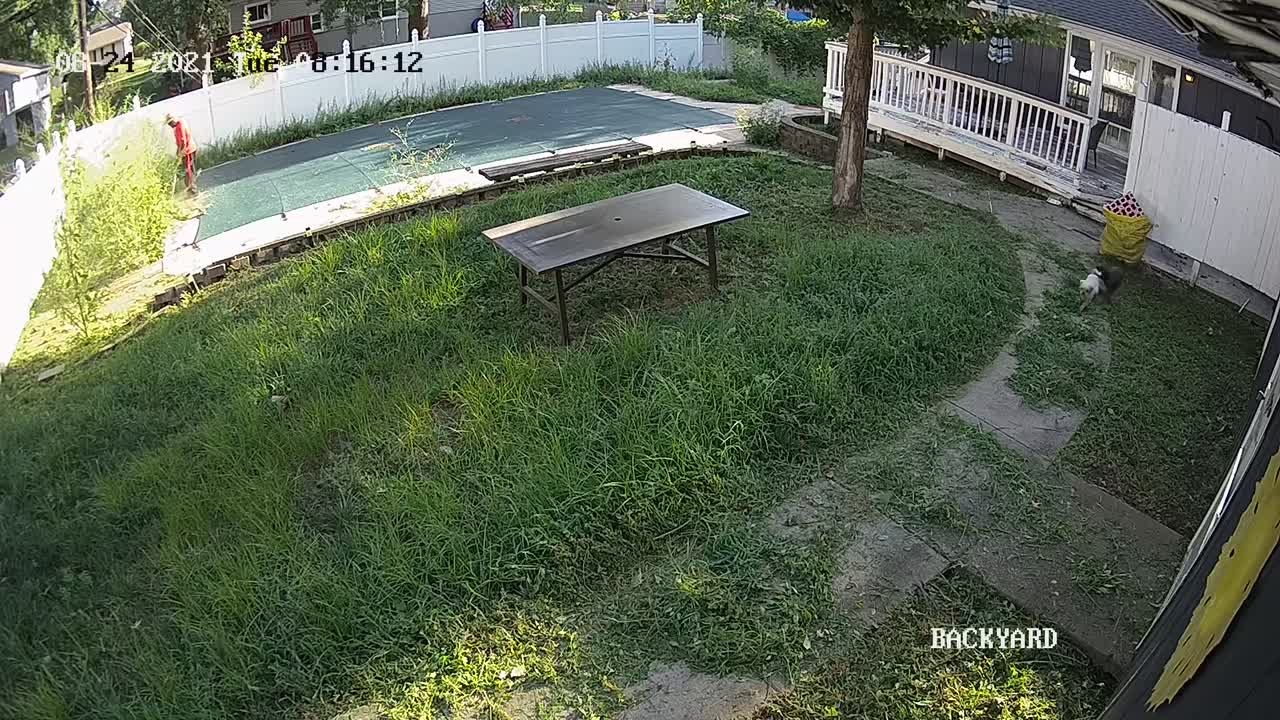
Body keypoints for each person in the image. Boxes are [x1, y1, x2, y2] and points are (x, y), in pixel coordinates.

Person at [166, 114, 198, 194]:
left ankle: (193, 192)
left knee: (189, 172)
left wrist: (181, 153)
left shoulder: (179, 127)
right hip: (190, 149)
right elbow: (180, 142)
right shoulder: (181, 122)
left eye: (170, 124)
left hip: (188, 152)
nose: (170, 126)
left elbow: (183, 142)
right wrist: (178, 152)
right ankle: (191, 190)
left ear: (173, 121)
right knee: (190, 171)